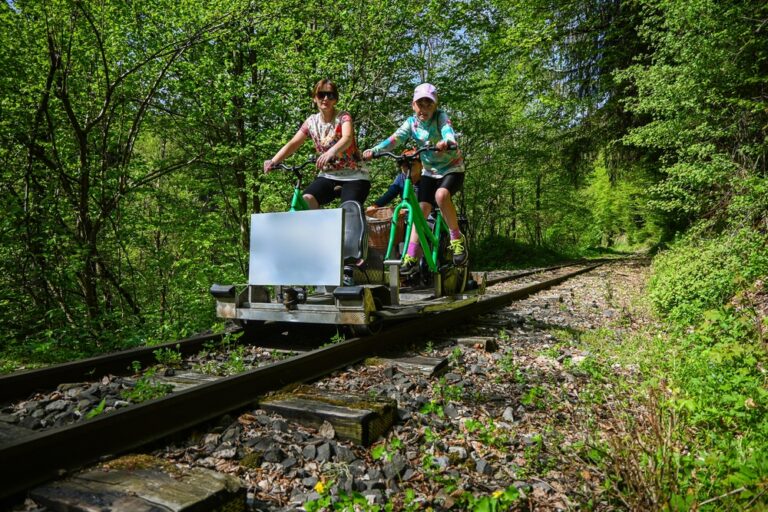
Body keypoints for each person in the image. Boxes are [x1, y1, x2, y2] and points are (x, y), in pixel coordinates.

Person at [264, 79, 370, 285]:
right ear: (314, 98)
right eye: (321, 94)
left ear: (336, 99)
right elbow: (294, 142)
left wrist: (331, 152)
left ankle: (350, 265)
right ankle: (319, 250)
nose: (325, 99)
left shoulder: (343, 117)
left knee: (349, 209)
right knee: (306, 200)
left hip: (354, 175)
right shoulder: (311, 122)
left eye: (330, 95)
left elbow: (347, 138)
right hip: (328, 176)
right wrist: (274, 160)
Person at [363, 83, 467, 276]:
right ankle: (411, 255)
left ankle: (456, 240)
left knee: (441, 196)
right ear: (413, 105)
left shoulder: (440, 117)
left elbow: (448, 131)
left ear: (435, 106)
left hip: (452, 168)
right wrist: (375, 150)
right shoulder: (411, 123)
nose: (424, 109)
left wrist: (448, 142)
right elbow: (395, 139)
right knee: (420, 210)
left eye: (429, 104)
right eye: (420, 104)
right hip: (429, 171)